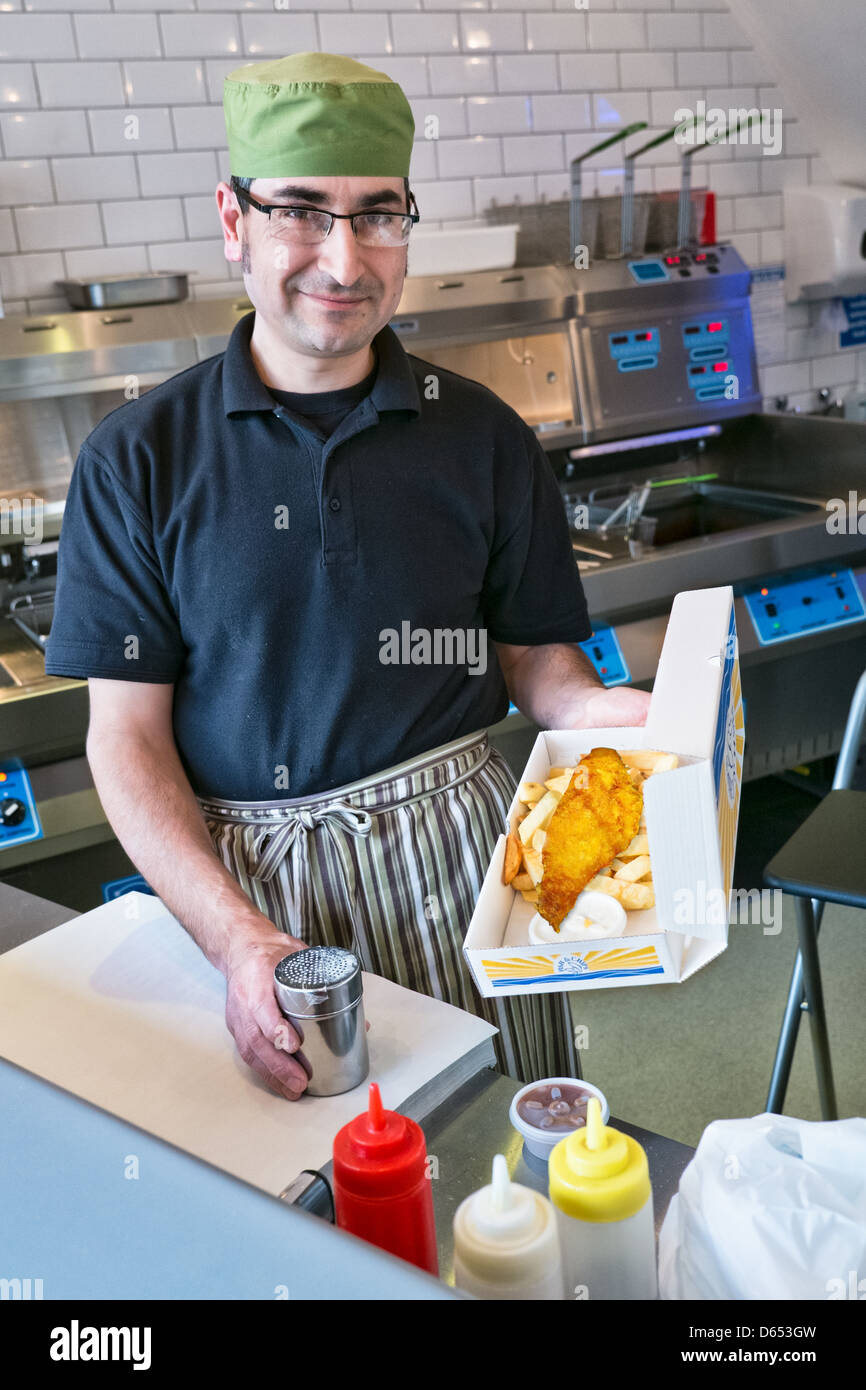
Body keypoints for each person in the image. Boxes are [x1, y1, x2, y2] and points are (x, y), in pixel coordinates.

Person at [45, 51, 650, 1097]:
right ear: (233, 222)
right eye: (301, 212)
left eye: (378, 214)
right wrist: (237, 942)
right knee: (314, 1207)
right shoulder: (138, 456)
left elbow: (535, 657)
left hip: (464, 869)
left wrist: (599, 713)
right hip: (257, 903)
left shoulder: (482, 433)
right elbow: (126, 736)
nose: (343, 257)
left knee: (504, 1164)